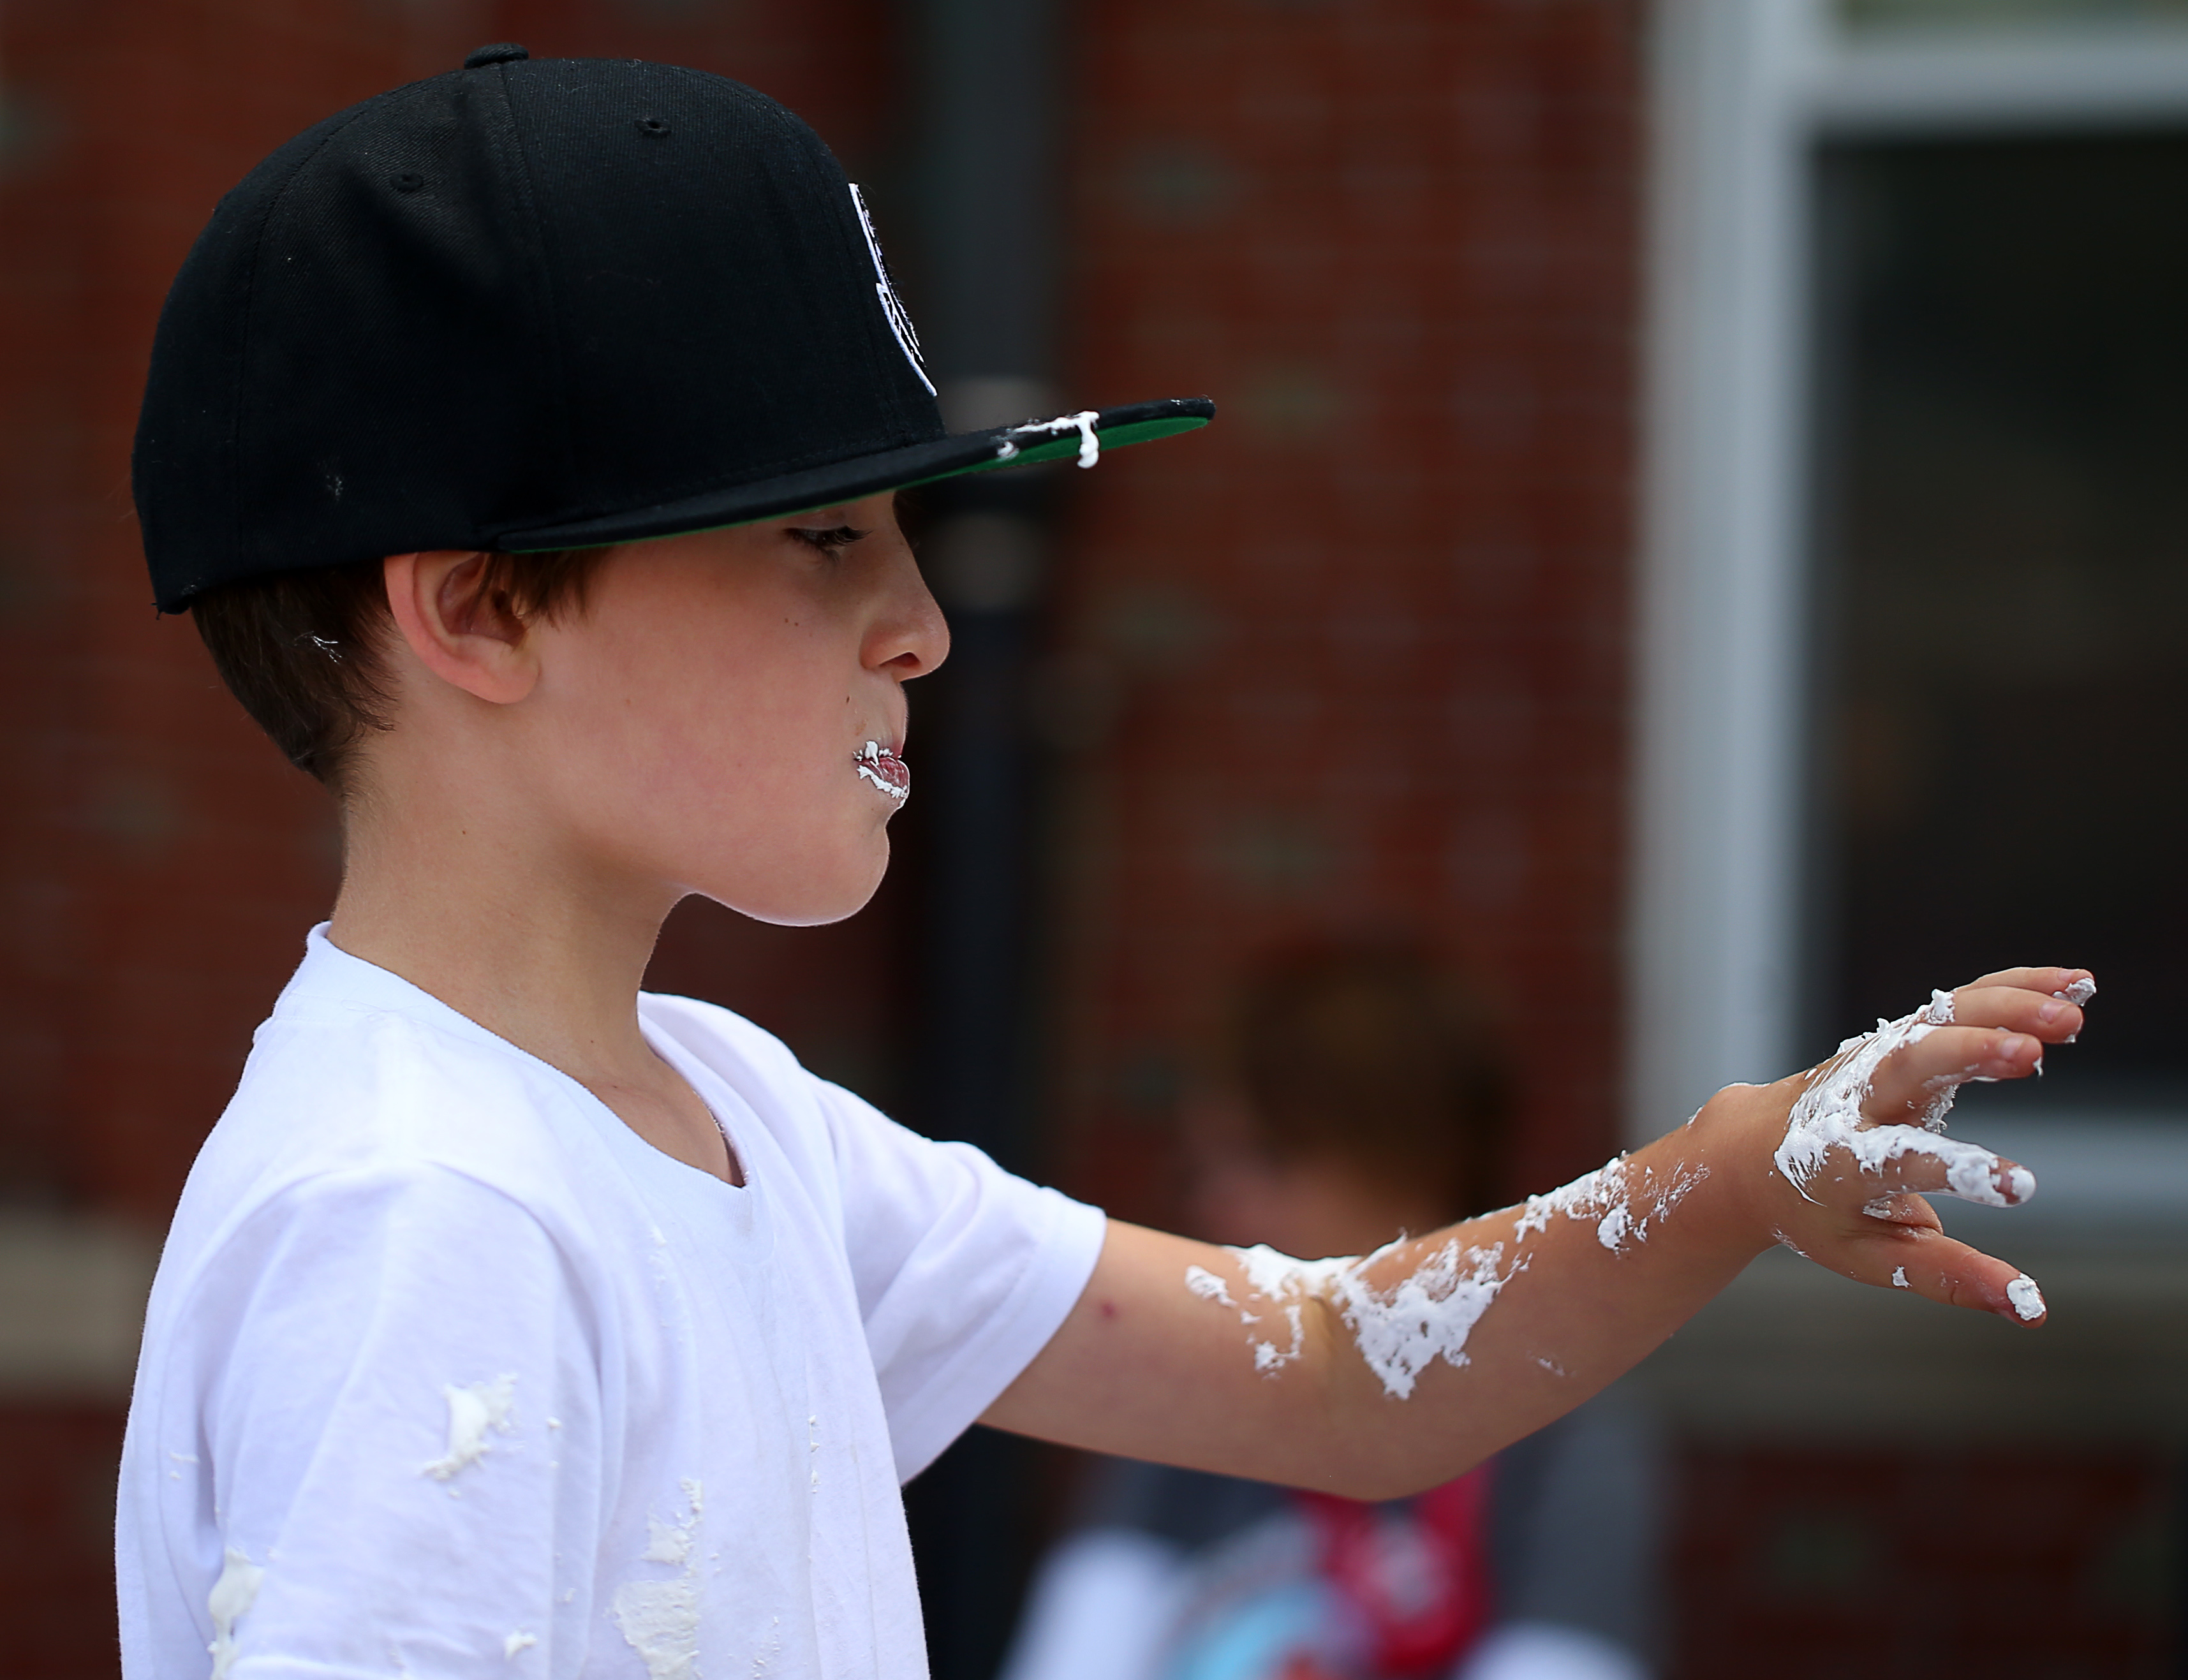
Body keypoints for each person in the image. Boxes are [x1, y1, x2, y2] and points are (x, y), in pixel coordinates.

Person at [116, 44, 2091, 1680]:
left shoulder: (730, 1114)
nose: (925, 624)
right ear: (479, 608)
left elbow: (1334, 1369)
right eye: (818, 542)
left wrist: (1732, 1169)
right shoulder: (420, 1218)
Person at [1000, 946, 1662, 1680]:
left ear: (1413, 1164)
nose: (1220, 1203)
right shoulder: (1192, 1382)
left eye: (1269, 1159)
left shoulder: (1555, 1419)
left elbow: (1566, 1663)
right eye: (1207, 1166)